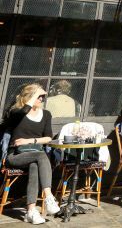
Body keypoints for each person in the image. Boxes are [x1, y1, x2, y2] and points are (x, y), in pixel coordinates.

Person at [2, 84, 60, 224]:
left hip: (34, 156)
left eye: (42, 97)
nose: (41, 99)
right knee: (40, 156)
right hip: (15, 156)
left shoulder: (46, 114)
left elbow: (48, 137)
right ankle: (49, 197)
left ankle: (31, 212)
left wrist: (30, 140)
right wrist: (35, 94)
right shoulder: (16, 112)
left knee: (35, 164)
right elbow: (23, 111)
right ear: (29, 97)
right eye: (38, 96)